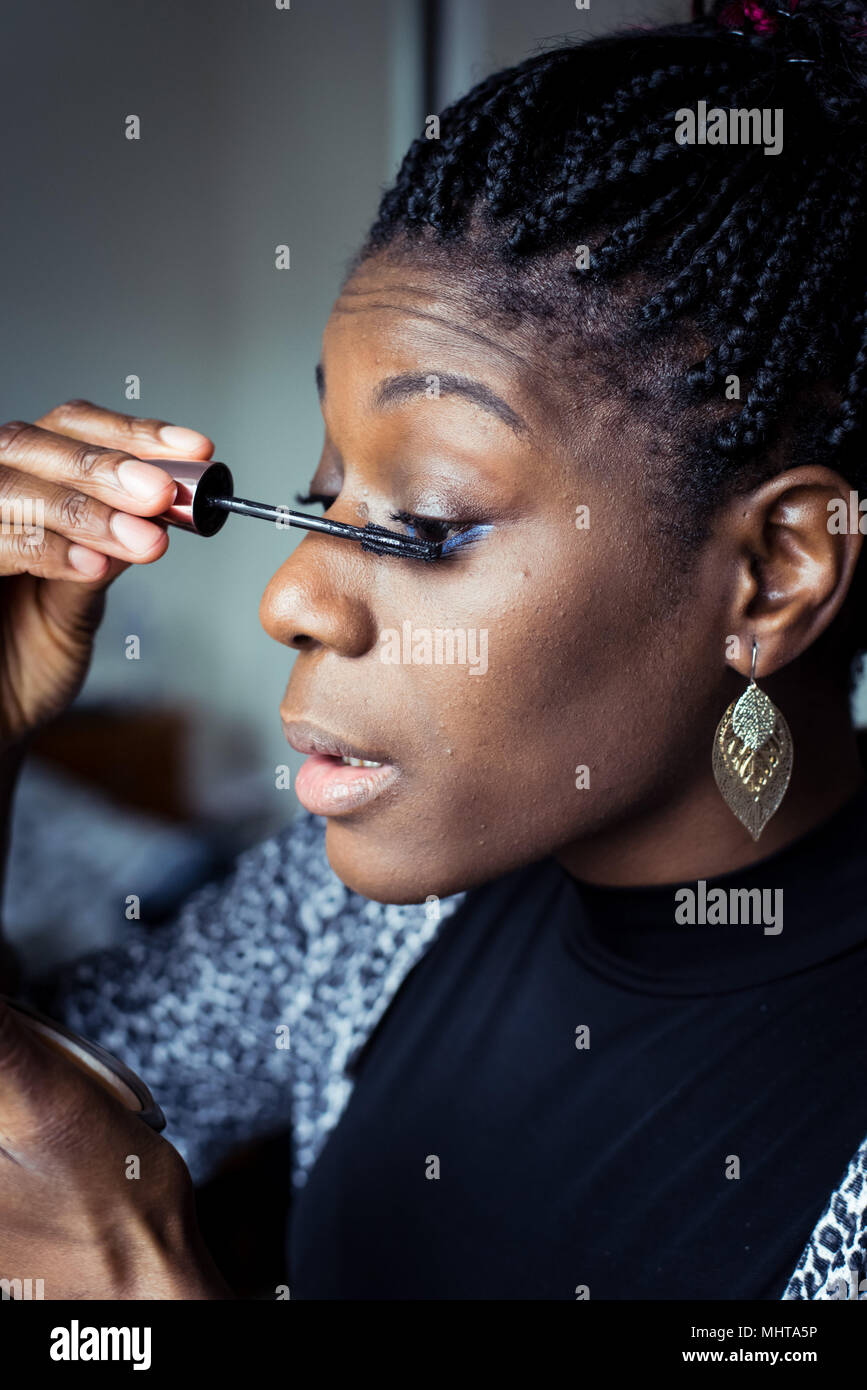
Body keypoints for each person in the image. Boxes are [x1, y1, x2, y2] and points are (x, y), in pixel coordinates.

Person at [2, 0, 867, 1300]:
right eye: (323, 483)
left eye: (423, 518)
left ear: (774, 571)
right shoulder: (357, 917)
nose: (291, 596)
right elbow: (32, 1118)